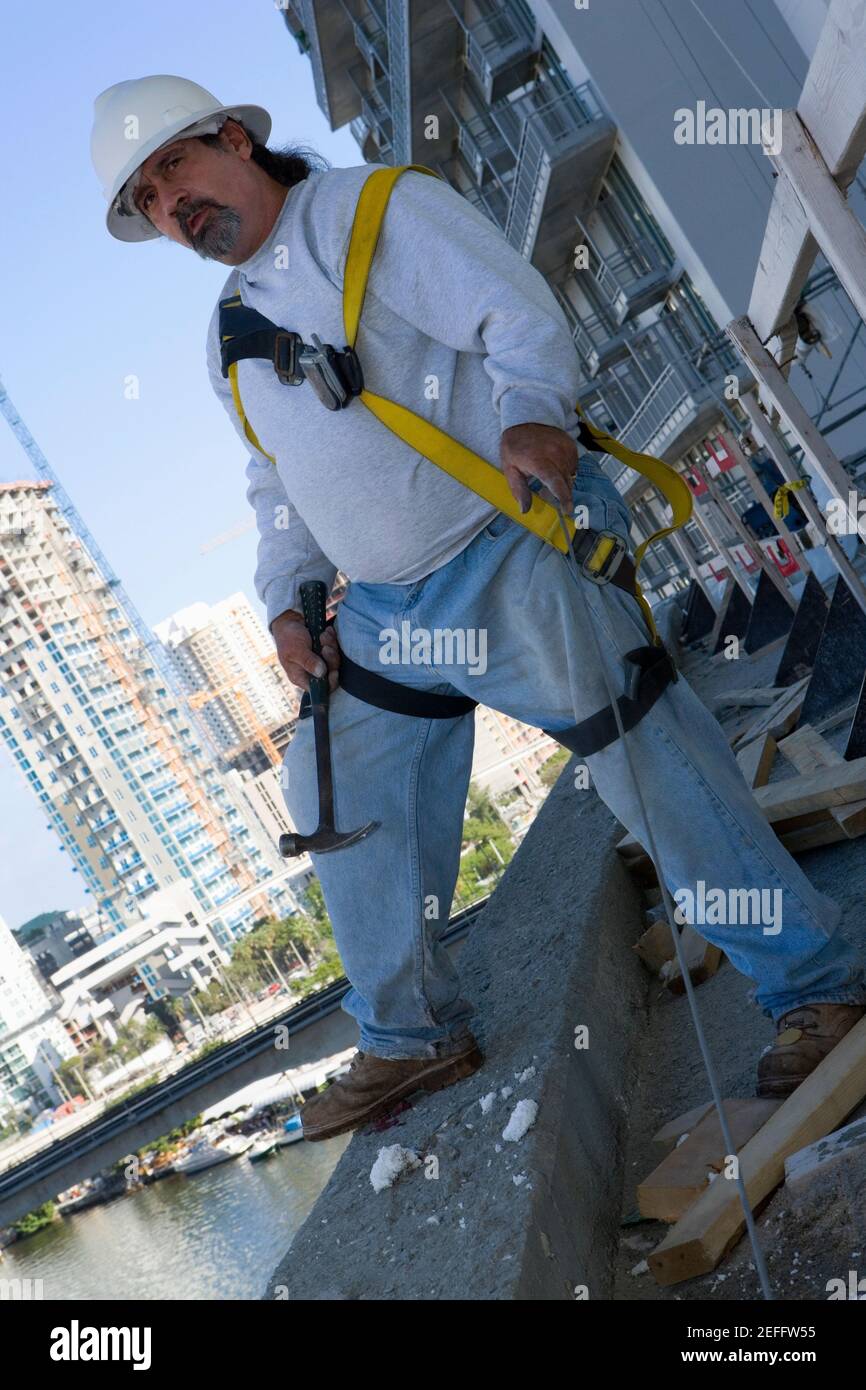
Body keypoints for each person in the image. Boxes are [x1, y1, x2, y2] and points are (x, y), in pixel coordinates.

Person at [92, 76, 866, 1141]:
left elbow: (517, 312)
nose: (170, 207)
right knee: (330, 782)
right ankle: (412, 1036)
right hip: (385, 613)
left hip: (507, 546)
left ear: (234, 138)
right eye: (145, 198)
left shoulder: (371, 213)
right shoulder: (229, 328)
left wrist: (536, 418)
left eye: (173, 168)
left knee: (641, 752)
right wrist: (287, 600)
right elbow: (278, 489)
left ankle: (811, 981)